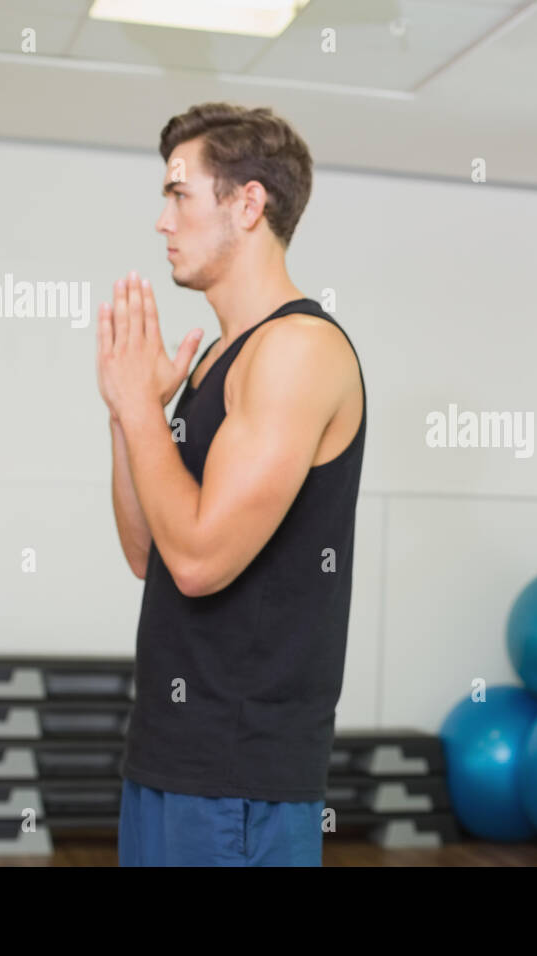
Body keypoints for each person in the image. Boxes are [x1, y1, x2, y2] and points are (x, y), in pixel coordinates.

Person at [95, 103, 366, 866]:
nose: (162, 220)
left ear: (248, 203)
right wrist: (132, 412)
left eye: (179, 194)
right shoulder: (219, 359)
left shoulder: (298, 350)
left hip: (240, 776)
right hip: (167, 756)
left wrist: (139, 412)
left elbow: (201, 560)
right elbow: (150, 549)